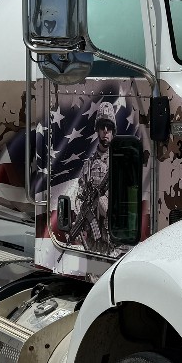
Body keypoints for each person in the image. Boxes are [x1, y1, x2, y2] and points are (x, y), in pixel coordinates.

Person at [70, 101, 116, 253]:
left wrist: (109, 204)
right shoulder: (88, 166)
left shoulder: (119, 164)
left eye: (109, 127)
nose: (105, 131)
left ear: (113, 131)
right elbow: (79, 196)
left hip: (114, 241)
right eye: (102, 126)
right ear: (97, 130)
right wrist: (81, 211)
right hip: (91, 243)